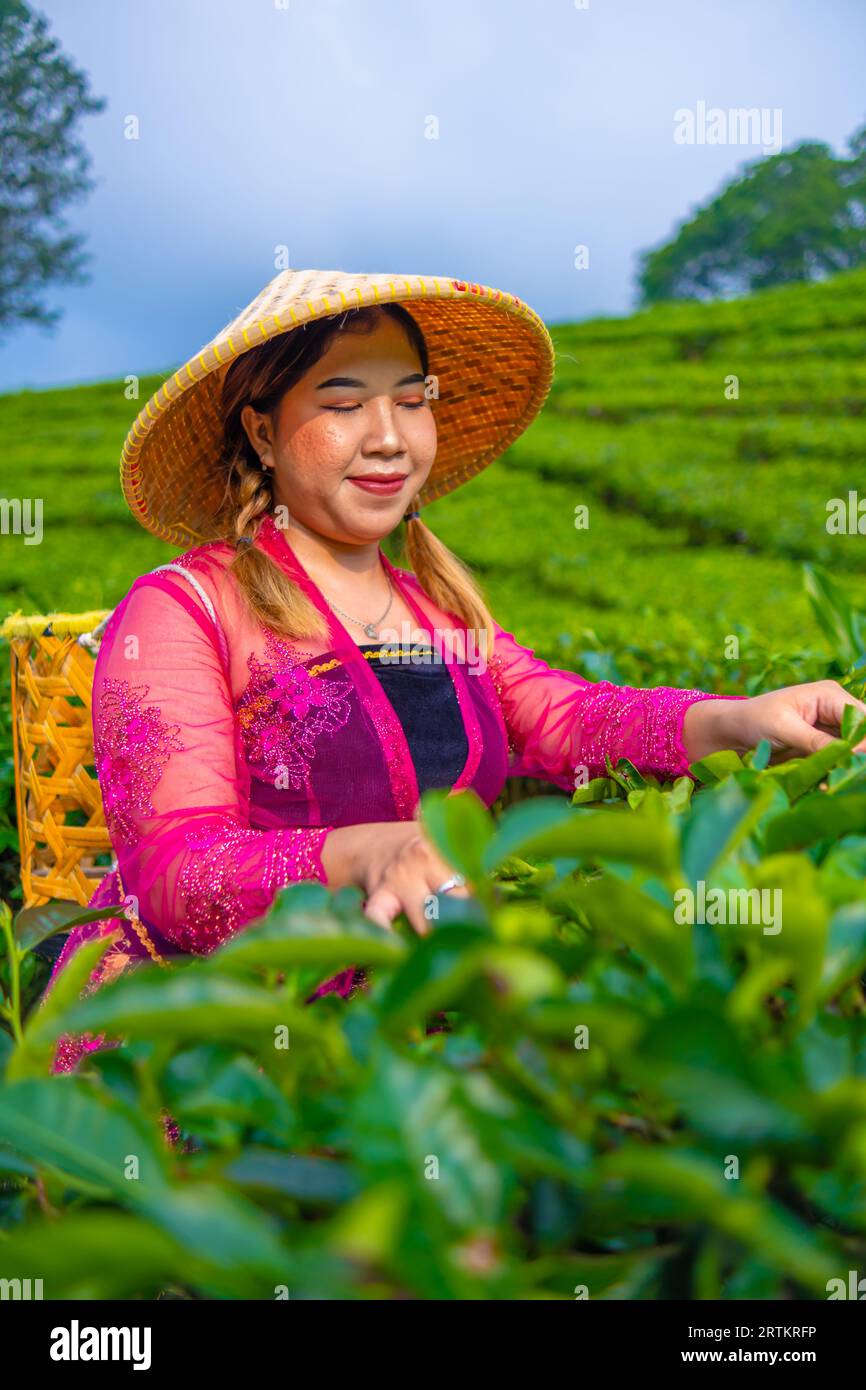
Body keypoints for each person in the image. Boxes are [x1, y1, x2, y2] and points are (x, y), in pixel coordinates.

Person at [44, 267, 866, 1074]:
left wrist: (742, 718)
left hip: (428, 1002)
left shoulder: (434, 608)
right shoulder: (184, 608)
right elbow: (178, 875)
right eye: (341, 405)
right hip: (216, 1042)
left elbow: (567, 719)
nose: (390, 438)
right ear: (262, 432)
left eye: (410, 400)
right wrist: (368, 854)